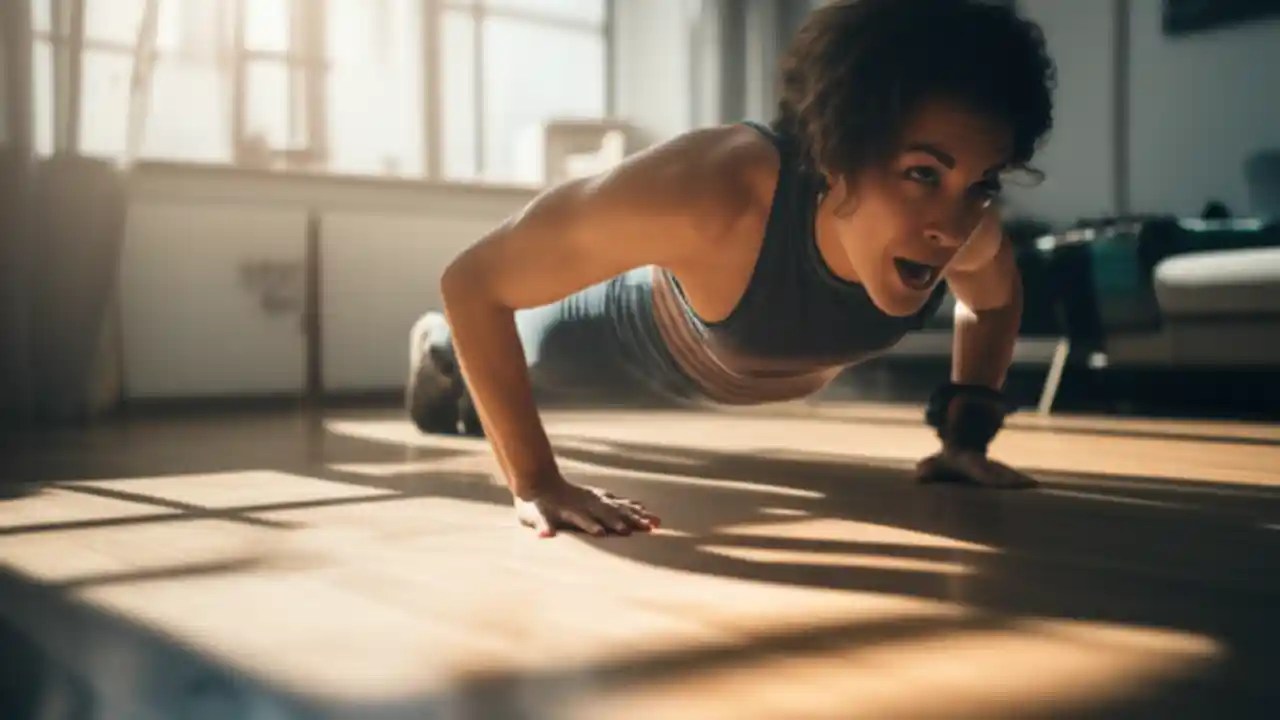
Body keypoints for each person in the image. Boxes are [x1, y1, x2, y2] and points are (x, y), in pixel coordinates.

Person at [407, 0, 1056, 537]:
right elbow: (472, 281)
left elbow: (994, 301)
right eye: (922, 173)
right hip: (590, 341)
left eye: (983, 183)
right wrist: (536, 483)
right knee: (475, 375)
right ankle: (438, 348)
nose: (952, 224)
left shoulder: (965, 224)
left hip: (718, 379)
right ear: (838, 149)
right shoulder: (716, 189)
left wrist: (965, 439)